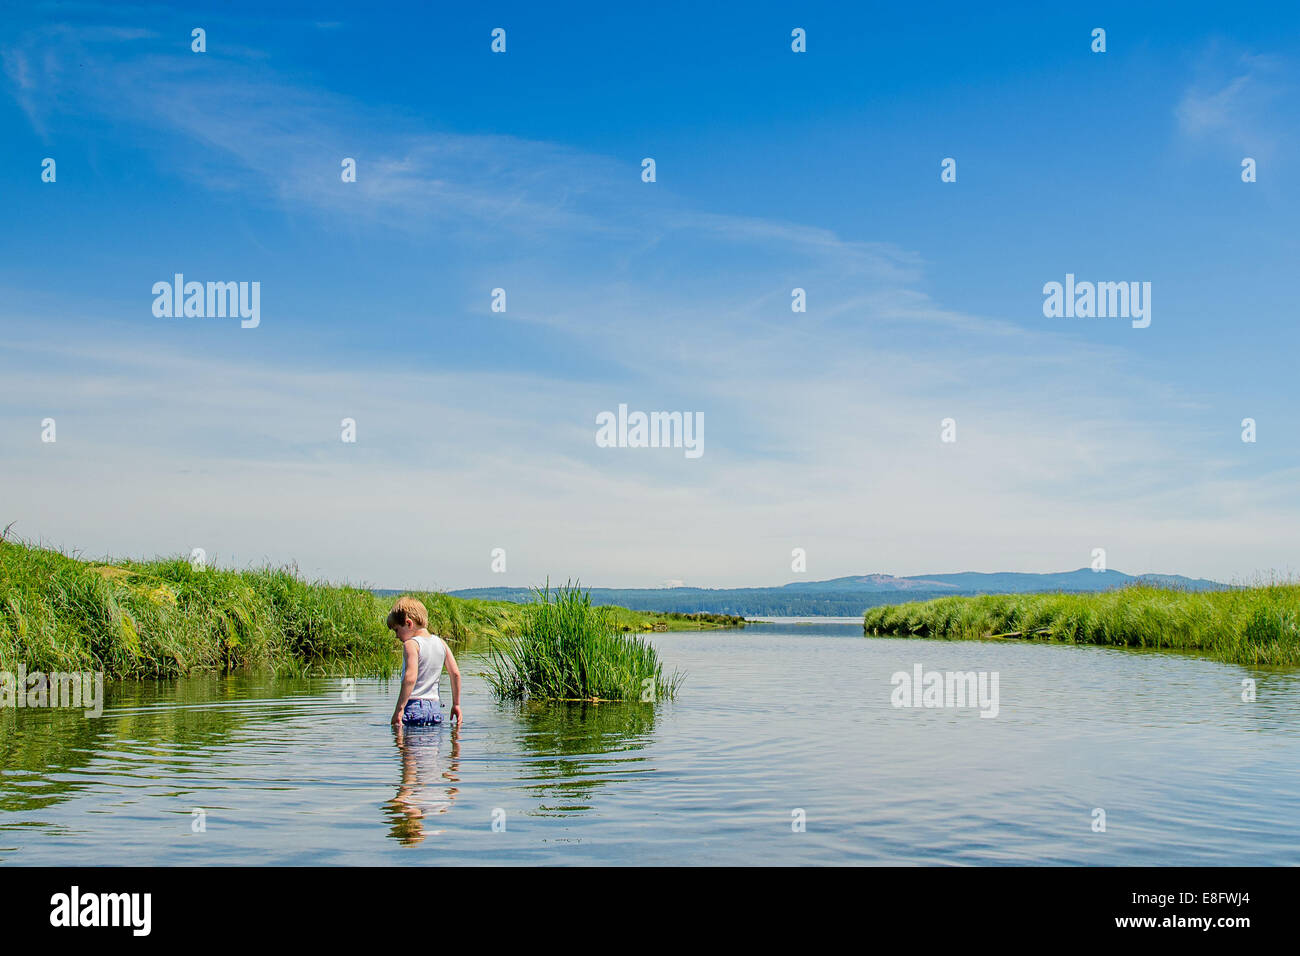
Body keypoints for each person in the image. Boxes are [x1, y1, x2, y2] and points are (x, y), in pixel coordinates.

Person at [386, 596, 462, 727]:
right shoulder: (441, 643)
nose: (396, 636)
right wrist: (456, 704)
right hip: (435, 709)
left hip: (413, 707)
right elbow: (455, 674)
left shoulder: (411, 644)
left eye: (397, 630)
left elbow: (410, 678)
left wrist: (399, 710)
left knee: (406, 747)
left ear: (409, 623)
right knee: (431, 747)